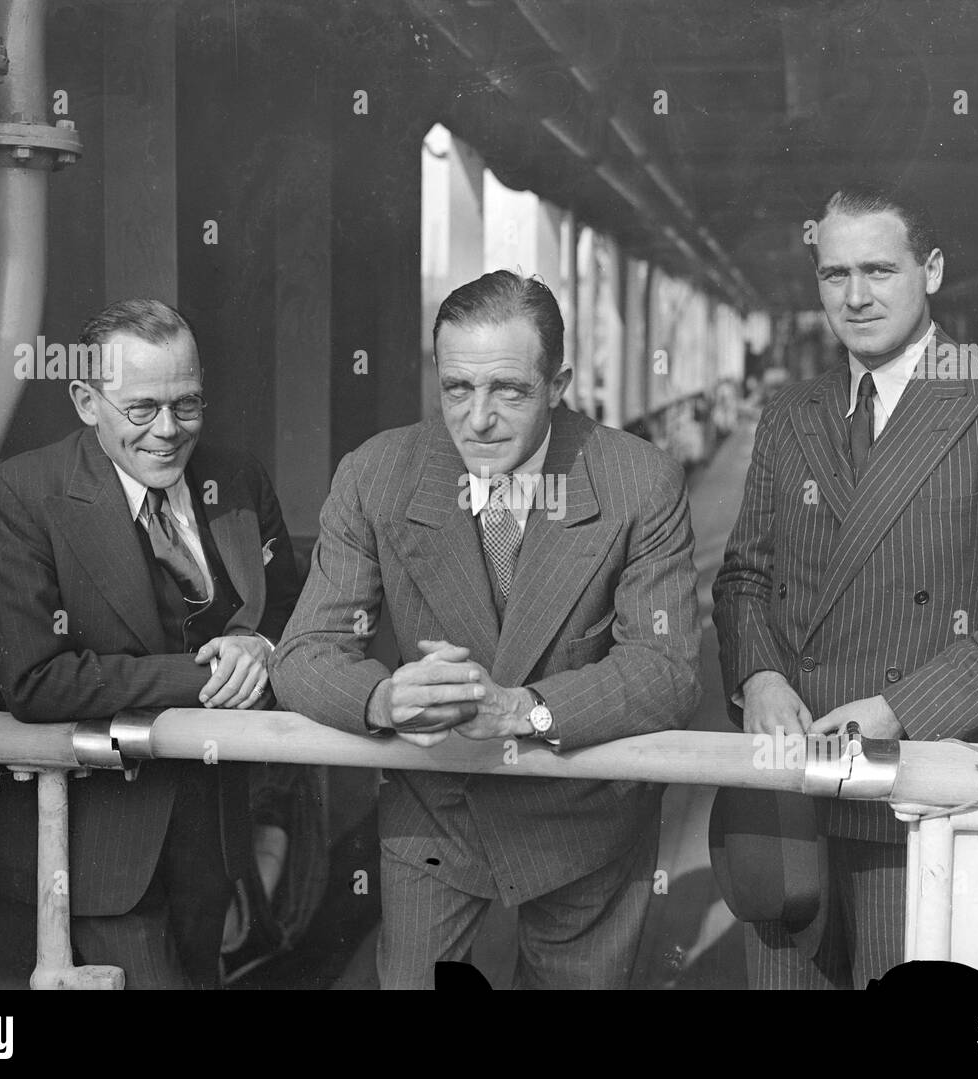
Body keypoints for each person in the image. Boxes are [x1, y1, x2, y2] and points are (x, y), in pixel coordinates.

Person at [270, 270, 701, 989]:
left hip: (581, 810)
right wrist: (384, 700)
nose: (478, 420)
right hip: (436, 806)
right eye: (457, 389)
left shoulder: (637, 480)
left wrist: (524, 708)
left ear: (558, 382)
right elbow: (305, 652)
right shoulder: (376, 475)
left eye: (509, 390)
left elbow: (668, 667)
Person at [712, 182, 978, 988]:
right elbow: (744, 574)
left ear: (933, 270)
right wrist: (761, 675)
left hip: (916, 799)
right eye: (834, 273)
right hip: (786, 798)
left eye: (879, 269)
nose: (855, 295)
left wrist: (895, 712)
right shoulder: (789, 413)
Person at [0, 298, 302, 988]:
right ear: (86, 401)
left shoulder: (237, 477)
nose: (168, 431)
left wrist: (265, 649)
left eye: (186, 405)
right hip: (101, 851)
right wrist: (212, 673)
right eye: (142, 408)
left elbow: (295, 611)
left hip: (214, 839)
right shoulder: (25, 494)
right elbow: (36, 679)